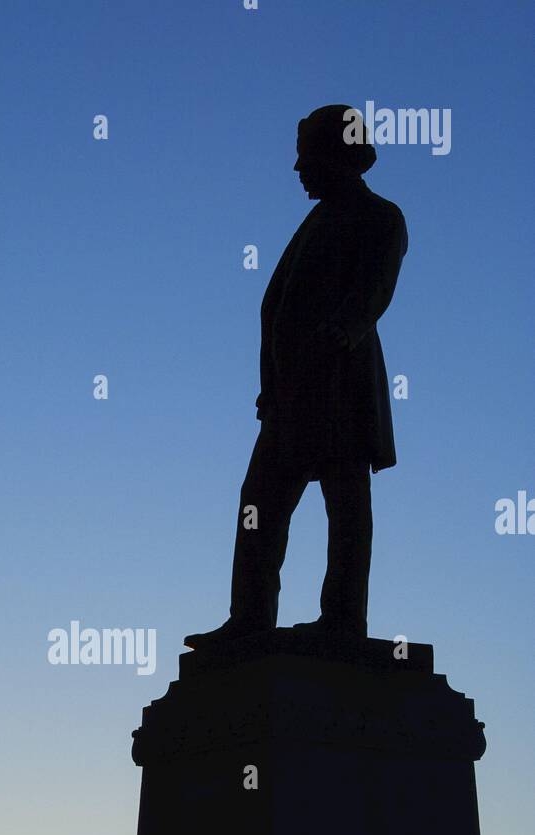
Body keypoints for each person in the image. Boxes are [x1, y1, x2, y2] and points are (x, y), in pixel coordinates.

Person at [186, 105, 408, 647]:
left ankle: (342, 619)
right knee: (259, 505)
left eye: (307, 154)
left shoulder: (380, 216)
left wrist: (341, 333)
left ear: (341, 154)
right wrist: (274, 384)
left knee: (346, 505)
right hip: (290, 396)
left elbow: (374, 292)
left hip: (340, 386)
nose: (297, 168)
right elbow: (280, 307)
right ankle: (250, 619)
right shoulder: (317, 220)